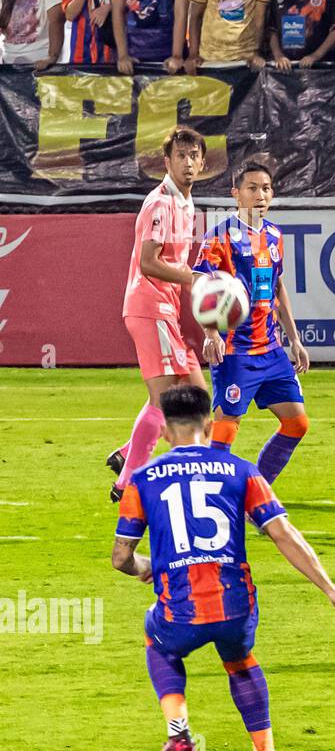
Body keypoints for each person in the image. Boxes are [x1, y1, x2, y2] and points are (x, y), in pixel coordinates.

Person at [114, 383, 335, 751]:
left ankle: (179, 734)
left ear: (162, 431)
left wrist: (148, 564)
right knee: (241, 662)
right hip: (235, 607)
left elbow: (120, 558)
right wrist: (331, 590)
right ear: (210, 426)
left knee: (157, 643)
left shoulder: (143, 480)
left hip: (179, 612)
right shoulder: (242, 471)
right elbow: (283, 533)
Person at [191, 161, 312, 481]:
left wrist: (295, 339)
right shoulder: (219, 236)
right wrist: (210, 333)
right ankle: (212, 495)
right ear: (236, 194)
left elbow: (279, 286)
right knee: (226, 429)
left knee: (297, 424)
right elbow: (199, 285)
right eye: (253, 188)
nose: (261, 195)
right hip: (235, 349)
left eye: (267, 188)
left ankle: (256, 491)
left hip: (270, 347)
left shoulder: (274, 234)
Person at [107, 125, 208, 504]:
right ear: (167, 162)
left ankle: (126, 455)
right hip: (148, 308)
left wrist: (208, 316)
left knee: (197, 394)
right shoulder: (160, 203)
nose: (188, 162)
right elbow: (149, 263)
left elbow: (178, 271)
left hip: (163, 310)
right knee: (165, 401)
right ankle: (127, 484)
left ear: (202, 162)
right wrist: (193, 277)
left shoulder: (186, 203)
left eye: (193, 156)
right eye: (180, 156)